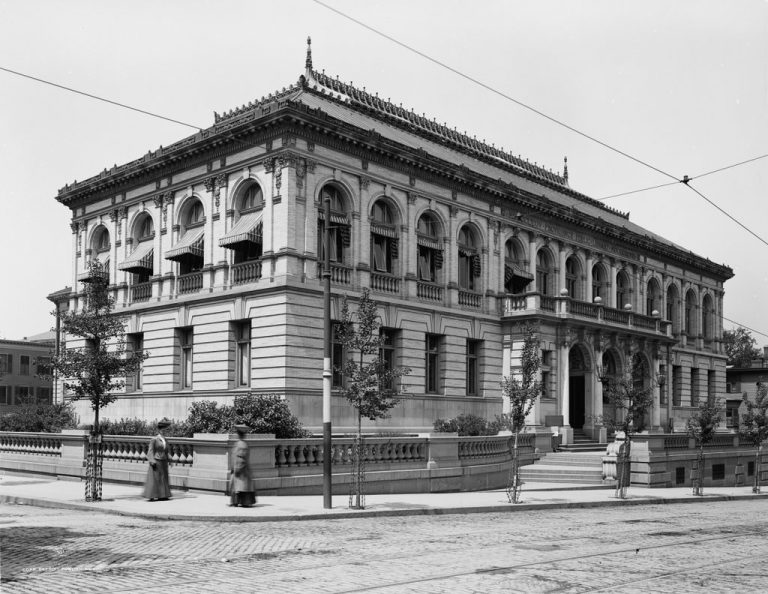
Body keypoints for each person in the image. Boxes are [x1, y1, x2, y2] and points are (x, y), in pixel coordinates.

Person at [143, 419, 172, 501]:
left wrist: (170, 459)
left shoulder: (165, 440)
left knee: (163, 478)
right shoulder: (154, 439)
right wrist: (152, 461)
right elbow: (150, 451)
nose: (165, 432)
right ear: (159, 430)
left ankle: (163, 495)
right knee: (155, 478)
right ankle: (151, 495)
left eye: (166, 430)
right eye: (163, 430)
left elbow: (166, 451)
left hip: (164, 461)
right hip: (156, 461)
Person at [229, 424, 257, 507]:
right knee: (239, 485)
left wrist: (237, 467)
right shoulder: (242, 444)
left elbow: (241, 457)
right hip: (240, 467)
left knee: (241, 486)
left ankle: (242, 502)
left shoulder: (241, 444)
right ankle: (237, 501)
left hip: (241, 468)